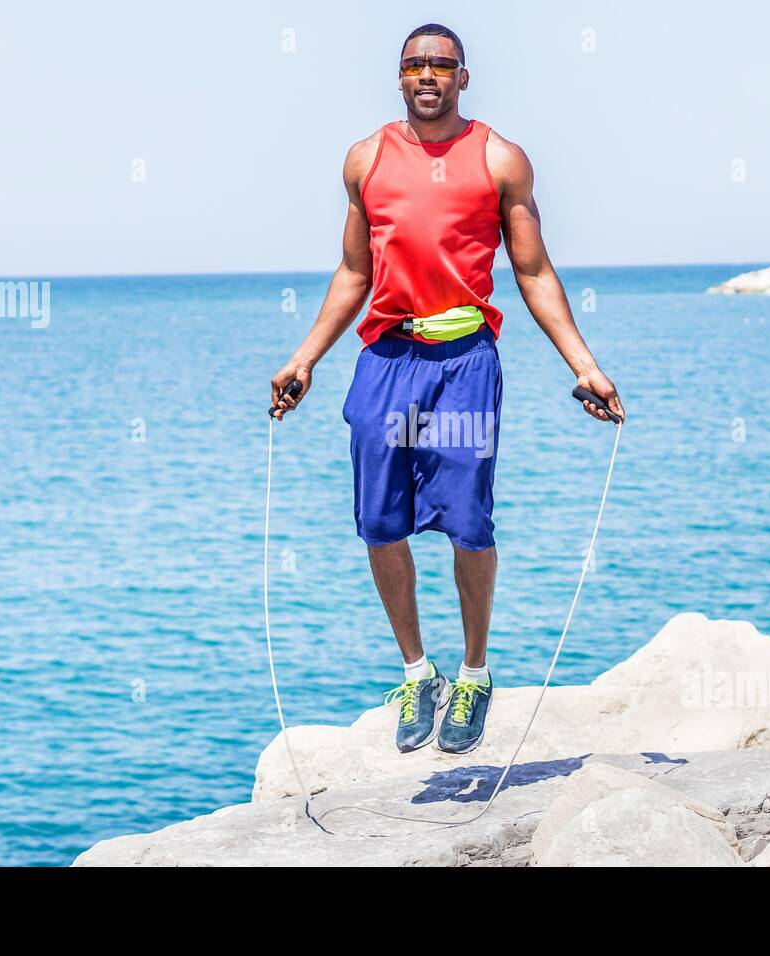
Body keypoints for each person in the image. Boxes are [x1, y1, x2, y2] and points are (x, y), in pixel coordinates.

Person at [270, 23, 624, 755]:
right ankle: (415, 671)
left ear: (464, 78)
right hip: (386, 360)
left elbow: (532, 273)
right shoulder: (365, 159)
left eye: (441, 64)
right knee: (379, 518)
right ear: (399, 78)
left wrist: (582, 364)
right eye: (414, 64)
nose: (427, 74)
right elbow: (353, 274)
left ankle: (473, 672)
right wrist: (305, 358)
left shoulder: (500, 160)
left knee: (467, 518)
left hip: (464, 361)